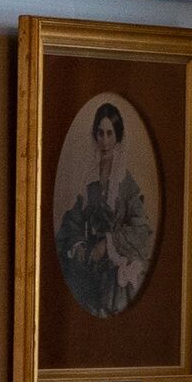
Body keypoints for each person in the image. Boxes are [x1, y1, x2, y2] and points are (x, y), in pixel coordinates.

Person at [54, 100, 156, 317]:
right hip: (92, 258)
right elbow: (73, 219)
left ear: (118, 137)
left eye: (110, 133)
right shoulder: (89, 178)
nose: (105, 141)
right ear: (95, 136)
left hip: (118, 258)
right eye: (100, 133)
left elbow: (140, 229)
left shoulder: (125, 182)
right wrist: (79, 244)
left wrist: (108, 244)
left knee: (116, 294)